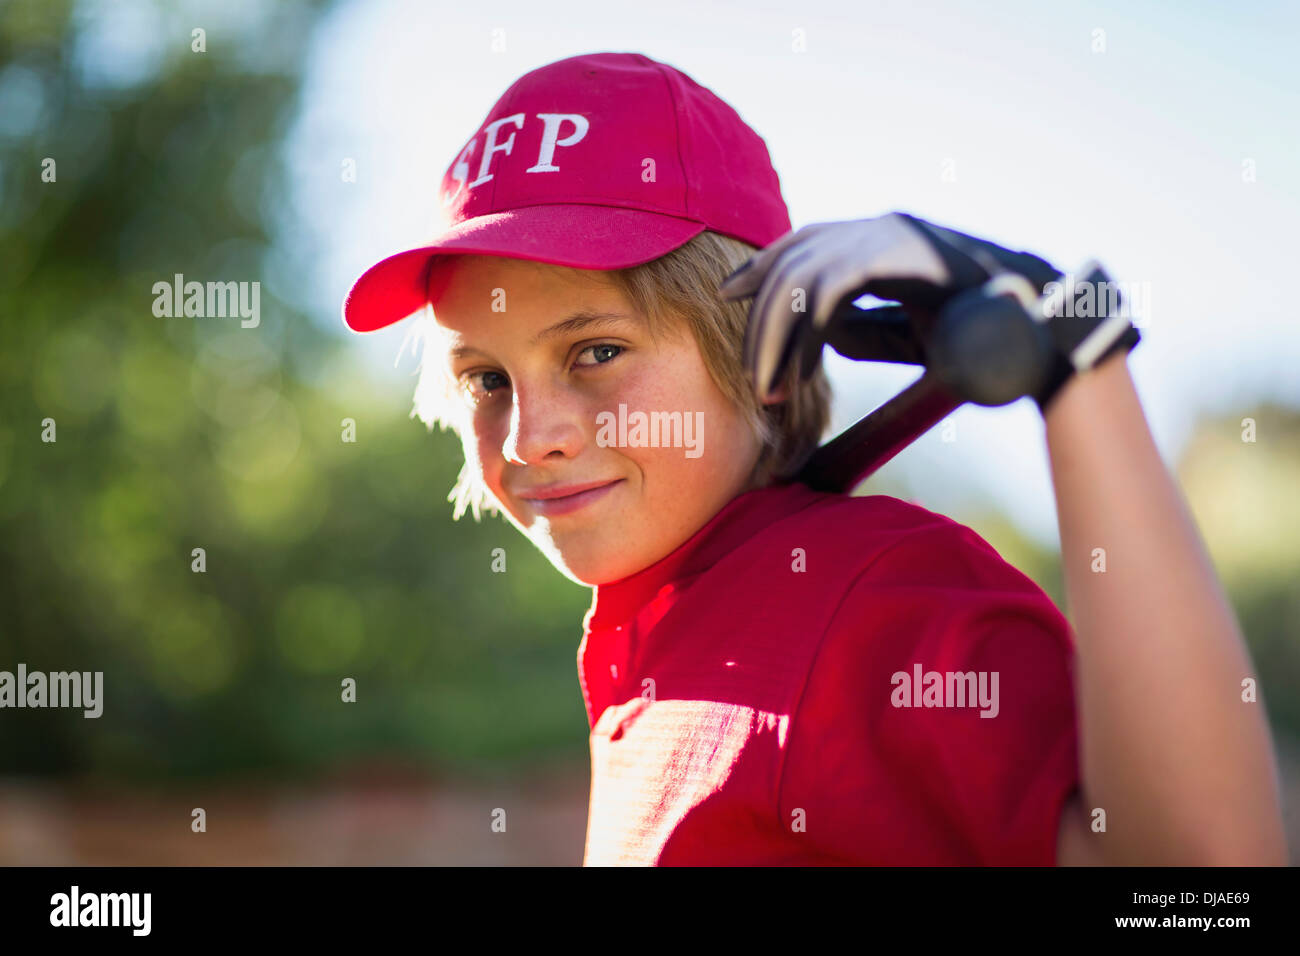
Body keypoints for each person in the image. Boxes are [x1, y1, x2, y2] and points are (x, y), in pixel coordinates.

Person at [342, 51, 1286, 865]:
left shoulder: (871, 597)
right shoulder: (659, 637)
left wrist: (1076, 359)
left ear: (764, 357)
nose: (528, 436)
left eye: (596, 353)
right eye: (486, 379)